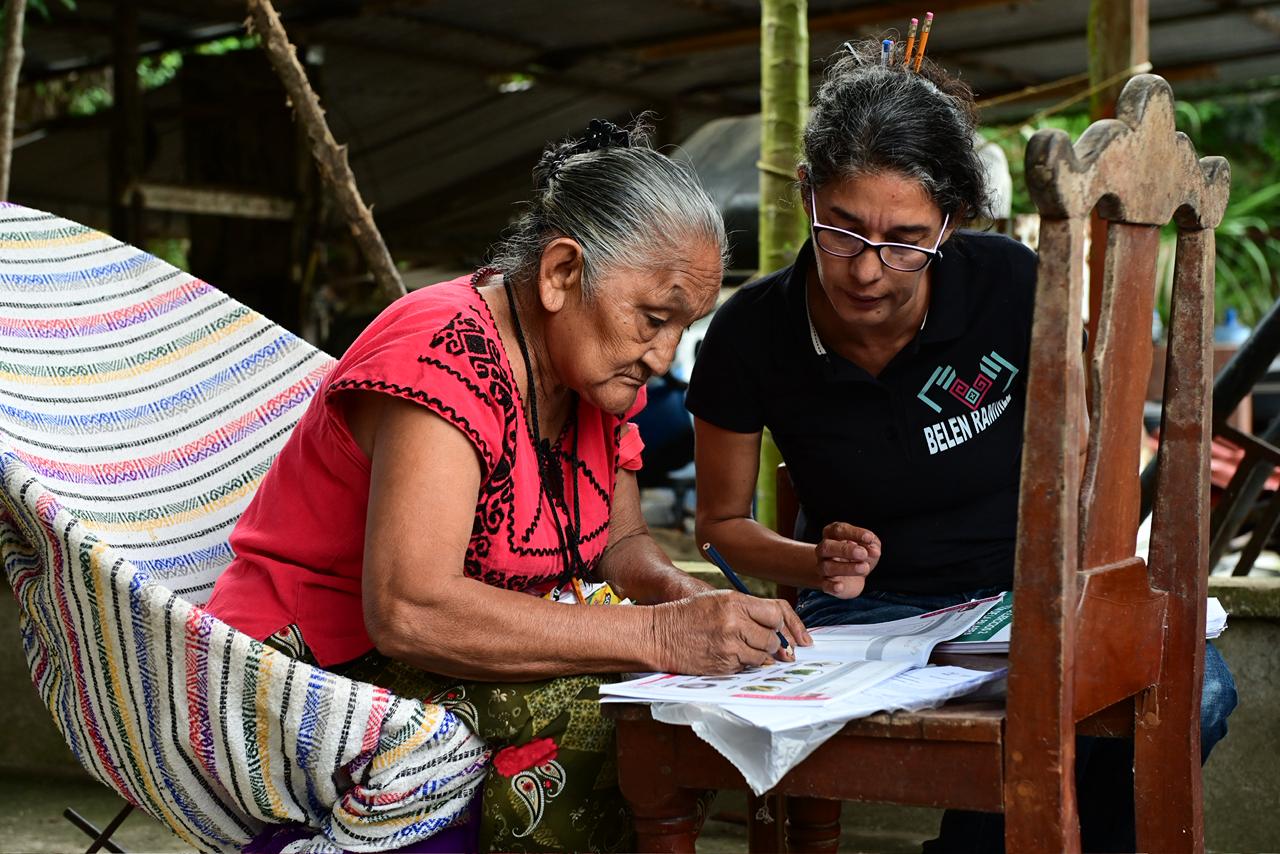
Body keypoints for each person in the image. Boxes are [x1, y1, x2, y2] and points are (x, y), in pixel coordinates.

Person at [685, 42, 1236, 852]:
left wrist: (1079, 580)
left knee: (1198, 695)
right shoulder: (750, 333)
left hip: (1023, 594)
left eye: (906, 239)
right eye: (842, 230)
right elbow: (720, 523)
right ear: (807, 194)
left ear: (951, 221)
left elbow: (1084, 451)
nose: (869, 270)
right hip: (873, 618)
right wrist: (815, 565)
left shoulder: (1012, 286)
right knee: (1041, 732)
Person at [206, 118, 809, 854]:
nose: (664, 355)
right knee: (599, 719)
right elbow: (409, 608)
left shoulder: (594, 377)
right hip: (305, 670)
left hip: (414, 659)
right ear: (560, 274)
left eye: (683, 327)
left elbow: (621, 541)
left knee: (684, 702)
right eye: (654, 318)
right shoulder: (446, 353)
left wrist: (684, 598)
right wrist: (658, 634)